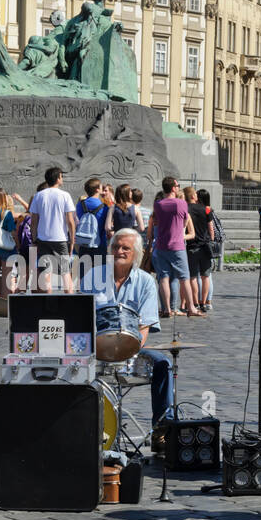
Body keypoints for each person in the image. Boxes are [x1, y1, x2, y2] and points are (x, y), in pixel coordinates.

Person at [80, 228, 175, 427]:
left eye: (125, 248)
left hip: (132, 348)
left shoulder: (147, 282)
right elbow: (80, 318)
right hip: (95, 347)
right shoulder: (92, 276)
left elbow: (145, 325)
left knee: (163, 364)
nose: (119, 251)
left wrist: (128, 350)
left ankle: (162, 429)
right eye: (115, 247)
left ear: (137, 254)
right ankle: (81, 426)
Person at [150, 176, 201, 317]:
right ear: (173, 188)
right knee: (184, 278)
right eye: (177, 185)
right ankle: (191, 308)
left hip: (161, 245)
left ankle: (166, 309)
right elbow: (185, 221)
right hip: (177, 245)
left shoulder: (158, 204)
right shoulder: (181, 203)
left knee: (163, 278)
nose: (178, 187)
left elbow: (157, 221)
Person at [28, 167, 76, 293]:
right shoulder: (65, 195)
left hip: (43, 239)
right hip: (60, 239)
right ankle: (70, 300)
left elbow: (34, 221)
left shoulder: (38, 196)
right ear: (58, 178)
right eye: (62, 176)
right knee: (65, 272)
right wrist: (72, 240)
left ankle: (48, 302)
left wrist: (34, 239)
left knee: (45, 271)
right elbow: (70, 221)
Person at [184, 186, 215, 311]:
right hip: (205, 246)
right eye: (195, 194)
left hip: (191, 246)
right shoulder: (207, 209)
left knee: (192, 277)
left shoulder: (185, 209)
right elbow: (211, 228)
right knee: (205, 276)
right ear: (192, 196)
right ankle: (204, 302)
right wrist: (211, 239)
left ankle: (195, 302)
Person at [74, 177, 109, 279]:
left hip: (84, 241)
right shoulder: (104, 207)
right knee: (100, 274)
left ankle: (82, 293)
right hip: (99, 243)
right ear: (97, 189)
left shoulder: (80, 205)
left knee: (83, 273)